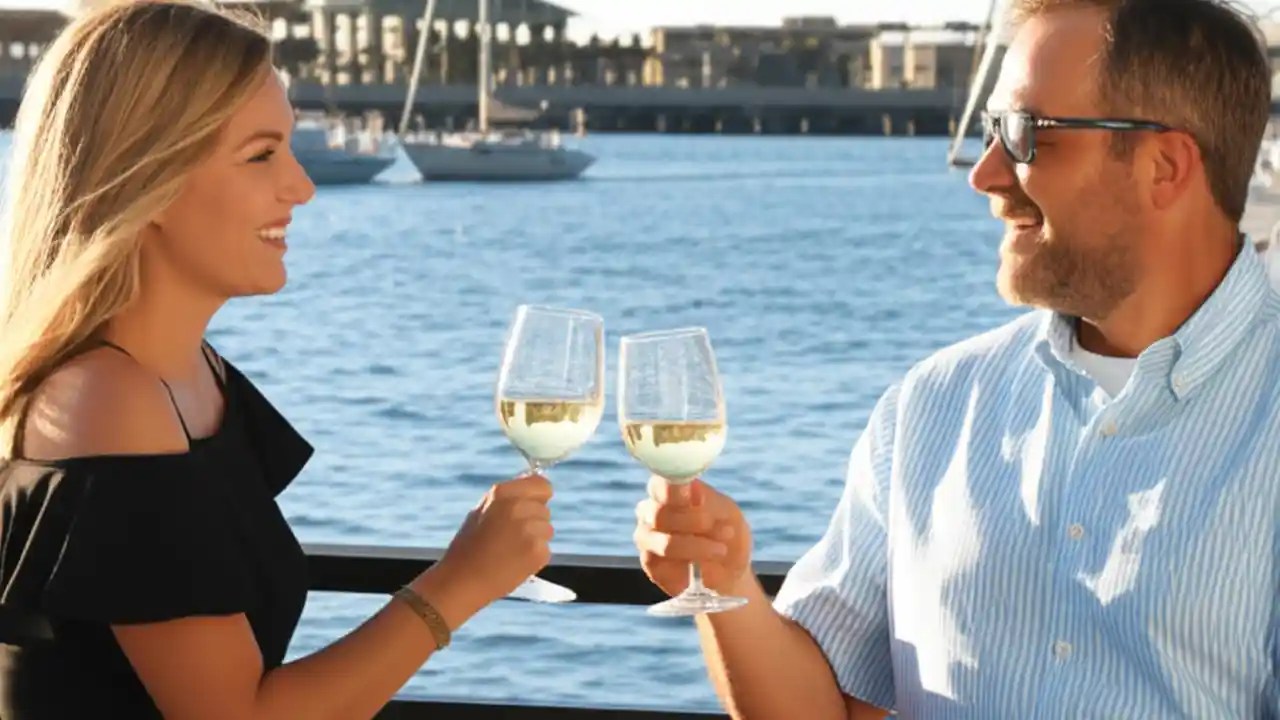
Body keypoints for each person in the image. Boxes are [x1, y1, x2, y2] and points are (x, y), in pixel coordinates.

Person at [634, 0, 1278, 717]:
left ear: (1164, 167)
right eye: (990, 131)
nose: (987, 174)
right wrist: (724, 584)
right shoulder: (934, 405)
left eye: (1025, 134)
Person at [0, 2, 555, 717]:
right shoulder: (107, 402)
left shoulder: (196, 376)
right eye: (261, 155)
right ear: (149, 178)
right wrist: (460, 583)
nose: (301, 186)